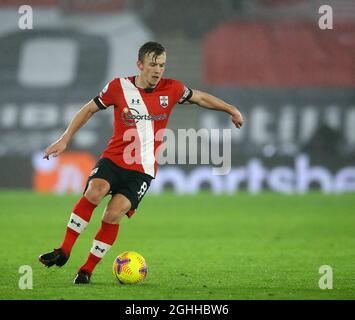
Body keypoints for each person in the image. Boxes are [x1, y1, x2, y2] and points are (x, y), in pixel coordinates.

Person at [39, 41, 243, 284]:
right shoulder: (118, 87)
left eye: (162, 65)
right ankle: (64, 250)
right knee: (95, 191)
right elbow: (89, 109)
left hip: (142, 170)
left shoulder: (172, 89)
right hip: (113, 160)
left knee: (113, 214)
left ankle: (86, 270)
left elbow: (200, 98)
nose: (158, 70)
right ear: (140, 64)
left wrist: (231, 109)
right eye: (153, 64)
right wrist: (65, 139)